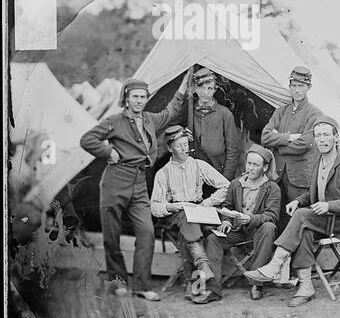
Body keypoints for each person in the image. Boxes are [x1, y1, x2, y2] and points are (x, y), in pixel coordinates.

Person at [79, 73, 191, 301]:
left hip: (139, 184)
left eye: (143, 97)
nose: (140, 101)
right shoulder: (114, 122)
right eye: (135, 97)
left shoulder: (150, 119)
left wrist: (182, 87)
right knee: (111, 236)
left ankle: (141, 286)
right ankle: (117, 281)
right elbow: (87, 139)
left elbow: (171, 111)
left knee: (147, 233)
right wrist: (107, 152)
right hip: (114, 183)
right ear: (126, 99)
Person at [244, 117, 340, 307]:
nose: (321, 140)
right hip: (324, 220)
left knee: (301, 216)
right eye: (318, 136)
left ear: (336, 137)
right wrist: (298, 200)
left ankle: (275, 265)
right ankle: (306, 286)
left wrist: (329, 206)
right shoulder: (320, 159)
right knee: (305, 230)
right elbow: (315, 193)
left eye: (326, 135)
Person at [150, 125, 231, 301]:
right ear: (170, 148)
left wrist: (207, 202)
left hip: (198, 213)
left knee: (198, 230)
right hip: (174, 215)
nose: (185, 148)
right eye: (179, 146)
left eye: (186, 144)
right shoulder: (163, 173)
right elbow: (155, 207)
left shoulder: (199, 165)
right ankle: (203, 266)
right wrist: (174, 206)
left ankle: (195, 283)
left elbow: (227, 186)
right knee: (186, 217)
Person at [199, 145, 282, 304]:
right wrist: (227, 221)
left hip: (257, 230)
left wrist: (250, 219)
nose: (250, 168)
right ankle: (213, 288)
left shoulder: (272, 188)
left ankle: (257, 283)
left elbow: (271, 216)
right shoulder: (236, 184)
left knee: (269, 228)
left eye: (255, 165)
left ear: (265, 168)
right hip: (238, 230)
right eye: (249, 163)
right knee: (212, 238)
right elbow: (228, 207)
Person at [262, 66, 325, 216]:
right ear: (289, 86)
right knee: (274, 214)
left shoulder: (314, 114)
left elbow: (305, 143)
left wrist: (278, 144)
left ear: (308, 87)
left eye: (301, 86)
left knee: (296, 216)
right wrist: (290, 137)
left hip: (299, 177)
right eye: (294, 86)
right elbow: (265, 136)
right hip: (277, 175)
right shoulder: (281, 111)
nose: (296, 90)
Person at [187, 66, 242, 181]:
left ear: (215, 89)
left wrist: (225, 178)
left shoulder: (225, 114)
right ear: (195, 89)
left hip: (218, 172)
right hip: (195, 173)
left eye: (209, 88)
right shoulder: (188, 111)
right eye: (201, 88)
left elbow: (233, 150)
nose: (205, 92)